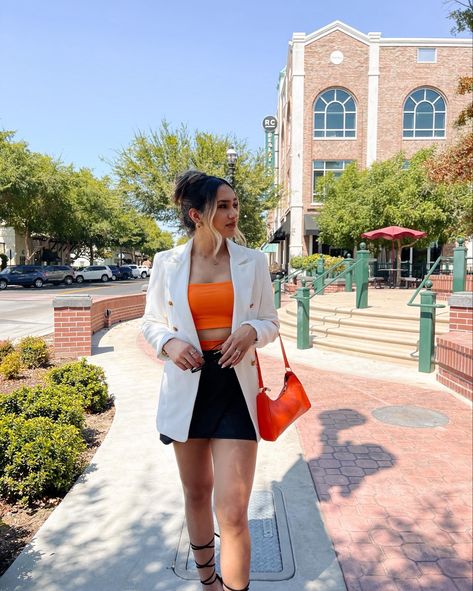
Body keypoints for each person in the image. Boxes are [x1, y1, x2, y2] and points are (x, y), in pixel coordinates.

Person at [142, 170, 279, 591]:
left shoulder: (252, 261)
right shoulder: (166, 263)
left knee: (234, 511)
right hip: (189, 388)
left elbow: (272, 322)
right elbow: (149, 322)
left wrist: (253, 330)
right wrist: (168, 343)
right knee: (197, 493)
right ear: (196, 215)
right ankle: (208, 583)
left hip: (235, 391)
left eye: (235, 204)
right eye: (223, 206)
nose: (234, 212)